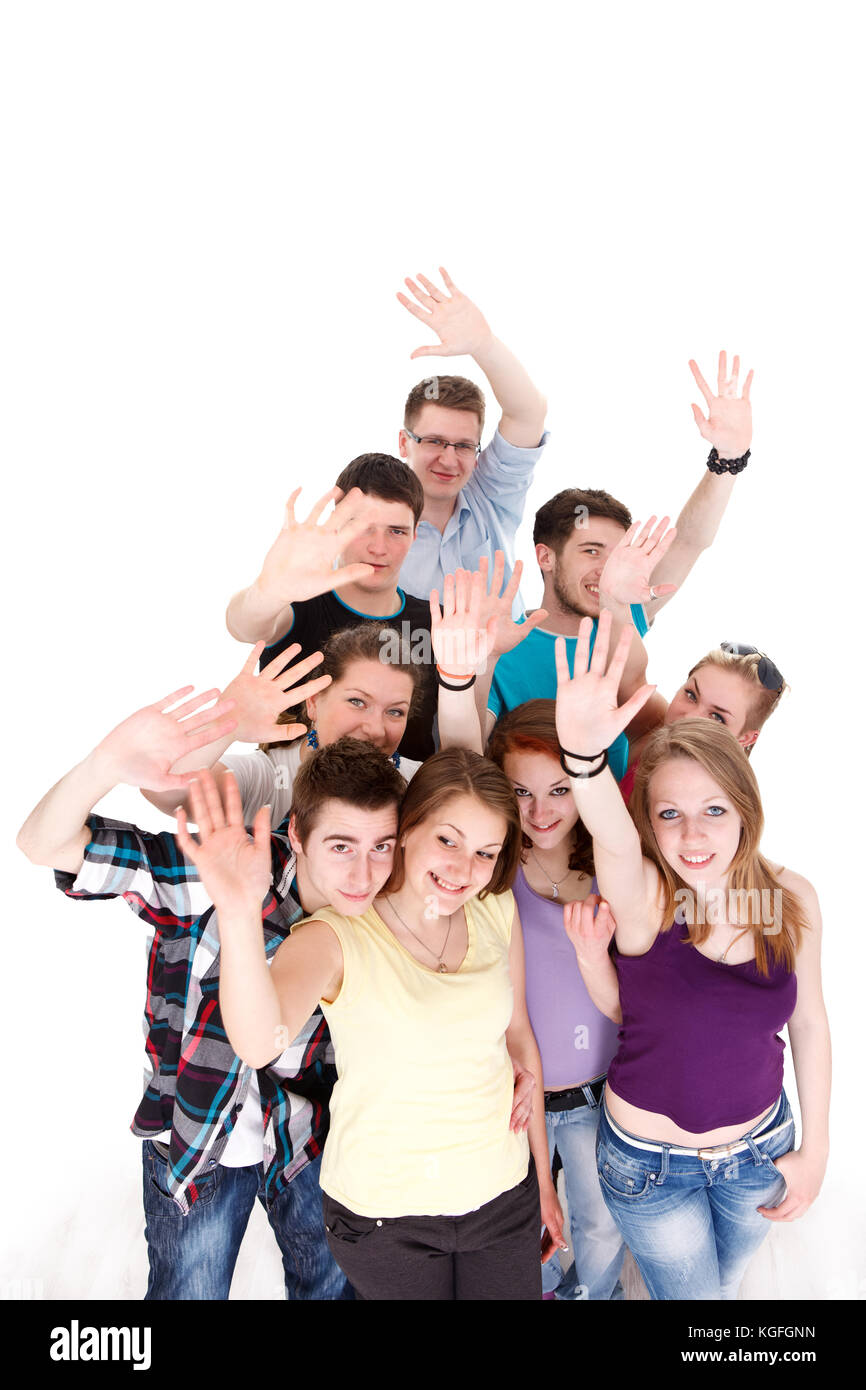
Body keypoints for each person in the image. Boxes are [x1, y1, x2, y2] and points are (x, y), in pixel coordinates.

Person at [15, 675, 406, 1301]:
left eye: (381, 846)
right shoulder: (221, 867)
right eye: (341, 846)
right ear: (297, 835)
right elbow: (44, 844)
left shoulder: (389, 913)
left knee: (336, 1293)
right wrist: (105, 762)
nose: (363, 873)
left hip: (311, 1140)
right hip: (195, 1133)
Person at [206, 747, 567, 1300]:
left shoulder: (495, 908)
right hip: (387, 1220)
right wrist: (236, 915)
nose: (463, 869)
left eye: (485, 852)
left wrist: (542, 1178)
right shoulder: (336, 934)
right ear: (408, 828)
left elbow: (518, 1034)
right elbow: (259, 1043)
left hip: (503, 1199)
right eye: (447, 840)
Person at [552, 613, 831, 1301]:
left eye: (713, 810)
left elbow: (810, 1026)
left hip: (761, 1152)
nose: (693, 834)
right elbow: (611, 837)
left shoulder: (792, 897)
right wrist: (584, 758)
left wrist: (816, 1148)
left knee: (723, 1292)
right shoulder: (645, 897)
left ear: (744, 808)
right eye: (669, 815)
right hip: (653, 1168)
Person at [484, 351, 755, 760]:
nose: (607, 571)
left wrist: (727, 461)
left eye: (617, 556)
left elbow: (690, 541)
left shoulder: (623, 617)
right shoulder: (502, 647)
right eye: (591, 551)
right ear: (546, 557)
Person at [487, 699, 627, 1300]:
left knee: (599, 1223)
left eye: (560, 791)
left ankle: (594, 1295)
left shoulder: (613, 869)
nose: (541, 812)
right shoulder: (493, 872)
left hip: (601, 1091)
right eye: (522, 793)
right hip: (519, 1095)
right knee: (528, 1226)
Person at [224, 453, 436, 759]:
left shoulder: (436, 623)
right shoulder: (297, 605)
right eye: (364, 527)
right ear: (337, 527)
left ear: (415, 535)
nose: (378, 547)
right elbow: (243, 625)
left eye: (396, 531)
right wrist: (269, 591)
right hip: (291, 797)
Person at [141, 623, 426, 829]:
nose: (376, 729)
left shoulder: (419, 786)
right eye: (357, 702)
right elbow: (164, 790)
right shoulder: (268, 777)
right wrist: (224, 726)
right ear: (313, 702)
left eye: (395, 712)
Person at [394, 267, 549, 613]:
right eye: (434, 441)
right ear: (404, 444)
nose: (449, 460)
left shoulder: (490, 499)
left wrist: (484, 346)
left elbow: (529, 414)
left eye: (464, 446)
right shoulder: (376, 532)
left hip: (509, 667)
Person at [619, 641, 787, 801]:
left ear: (745, 738)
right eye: (691, 695)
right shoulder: (656, 729)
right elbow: (630, 674)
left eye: (717, 717)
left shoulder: (709, 806)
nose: (689, 718)